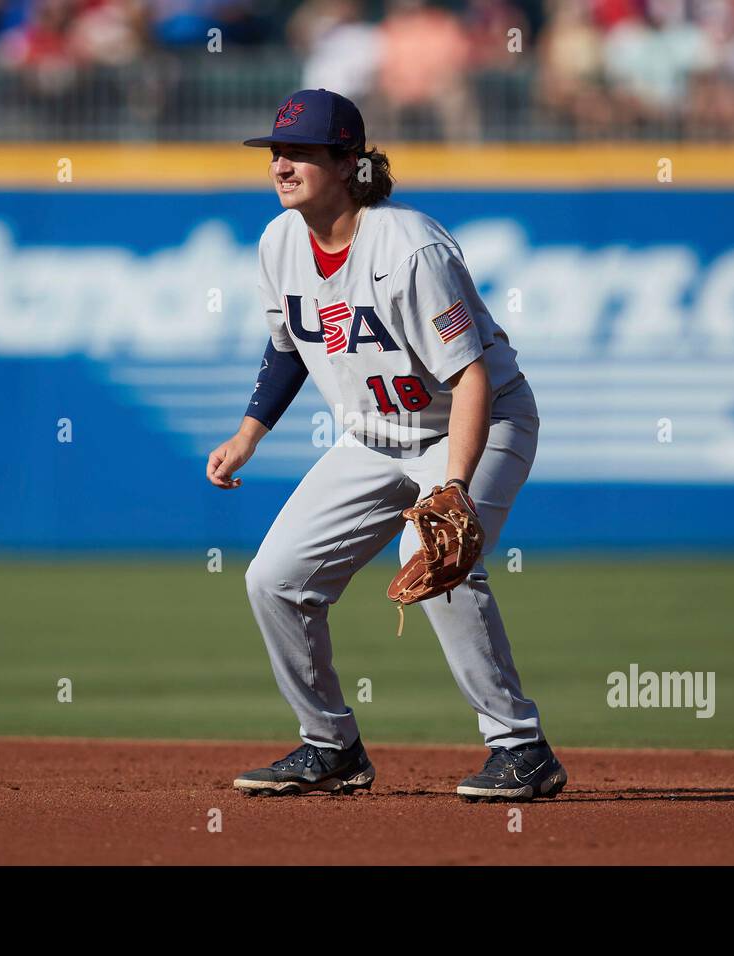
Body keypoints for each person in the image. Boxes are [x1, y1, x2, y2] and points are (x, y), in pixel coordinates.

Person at [207, 89, 565, 802]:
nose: (282, 163)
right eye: (277, 151)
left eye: (302, 151)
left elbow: (470, 379)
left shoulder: (409, 246)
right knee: (273, 578)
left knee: (435, 553)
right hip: (374, 436)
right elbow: (288, 347)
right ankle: (331, 747)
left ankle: (521, 747)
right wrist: (249, 433)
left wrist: (453, 488)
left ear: (348, 161)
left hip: (479, 422)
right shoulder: (280, 244)